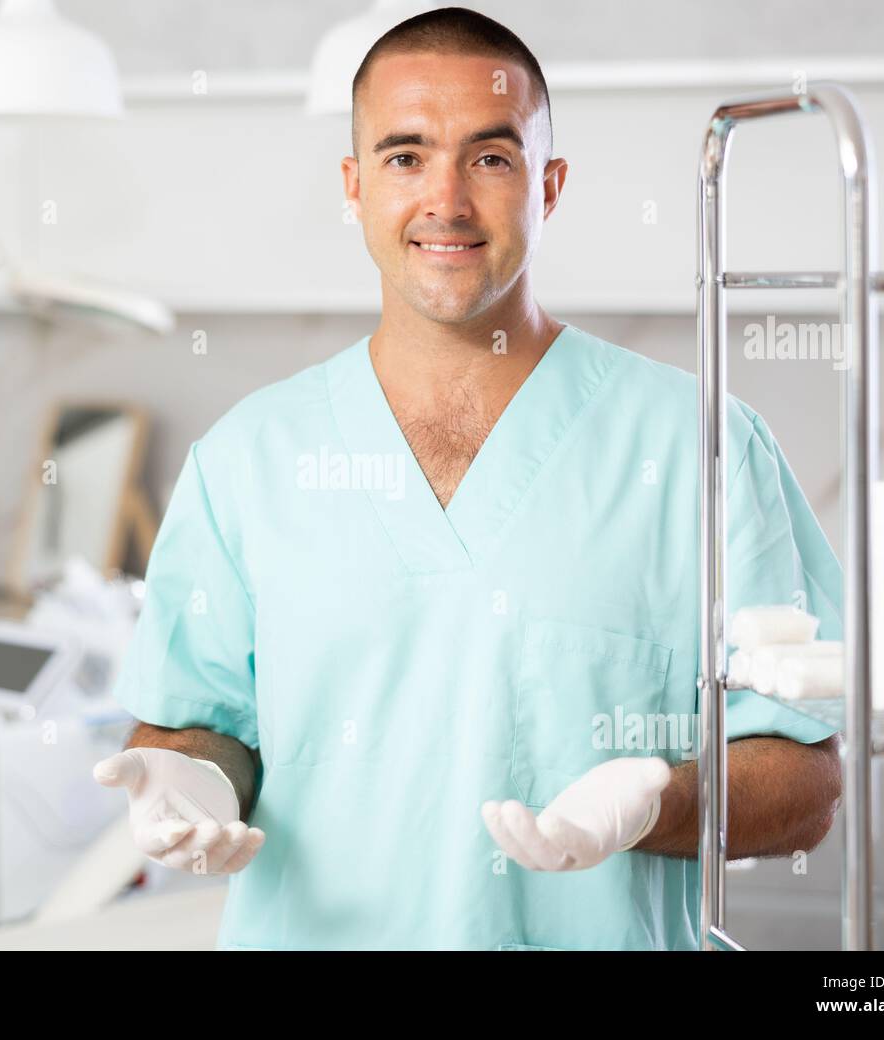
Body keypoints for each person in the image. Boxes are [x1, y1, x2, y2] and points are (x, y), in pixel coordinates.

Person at [94, 6, 842, 950]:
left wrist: (661, 802)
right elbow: (192, 726)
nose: (446, 200)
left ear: (549, 185)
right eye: (405, 157)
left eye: (490, 158)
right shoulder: (247, 462)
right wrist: (186, 781)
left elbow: (808, 781)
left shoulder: (700, 444)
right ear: (354, 185)